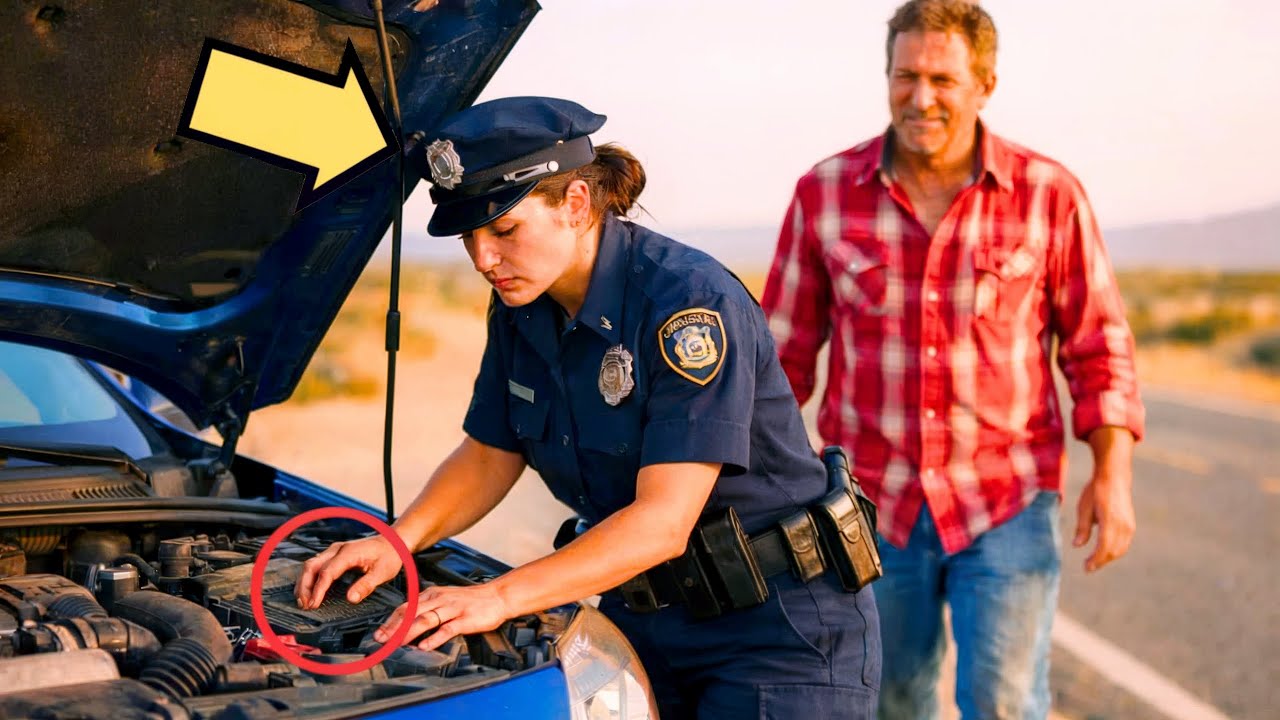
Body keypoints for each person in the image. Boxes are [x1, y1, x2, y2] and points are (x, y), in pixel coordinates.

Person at [295, 96, 881, 719]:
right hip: (644, 621)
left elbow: (663, 520)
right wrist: (398, 541)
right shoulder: (523, 306)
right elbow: (492, 451)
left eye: (503, 230)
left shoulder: (687, 304)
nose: (483, 260)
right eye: (470, 237)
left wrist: (500, 597)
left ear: (576, 204)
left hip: (774, 636)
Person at [761, 2, 1145, 718]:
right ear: (887, 77)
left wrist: (1113, 474)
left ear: (984, 84)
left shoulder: (1047, 195)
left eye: (942, 78)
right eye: (906, 76)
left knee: (1002, 702)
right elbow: (778, 360)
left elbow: (1099, 343)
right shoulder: (824, 194)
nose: (922, 96)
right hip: (868, 507)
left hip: (1007, 499)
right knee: (886, 700)